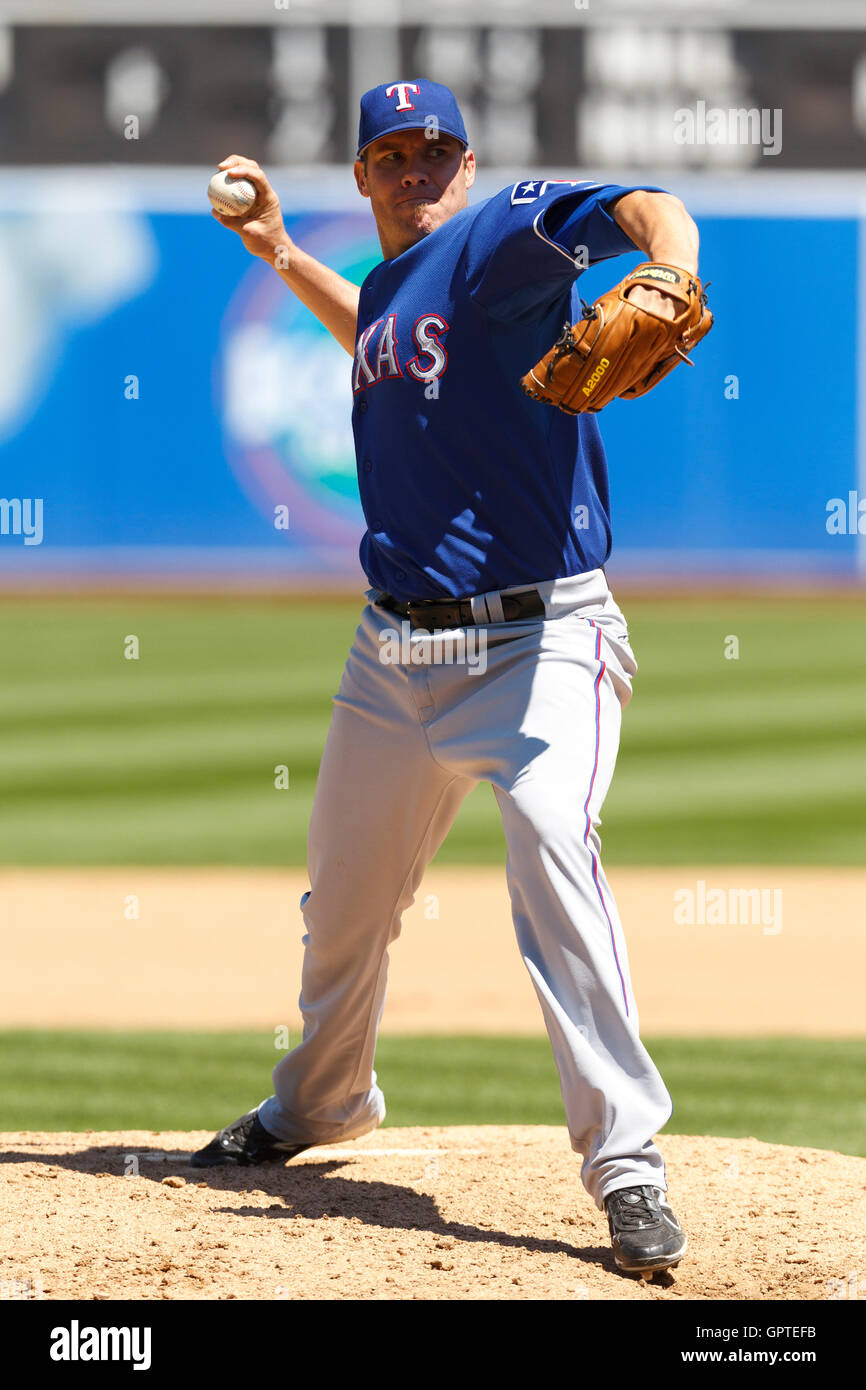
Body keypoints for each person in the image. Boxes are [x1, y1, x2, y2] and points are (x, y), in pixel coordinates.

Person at [193, 78, 700, 1278]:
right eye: (393, 156)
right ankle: (321, 1105)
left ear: (466, 168)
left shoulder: (493, 238)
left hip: (541, 641)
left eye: (436, 152)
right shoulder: (385, 296)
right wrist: (272, 249)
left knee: (551, 863)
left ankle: (626, 1166)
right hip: (393, 652)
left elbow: (643, 202)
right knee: (344, 906)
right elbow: (367, 327)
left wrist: (672, 270)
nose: (417, 170)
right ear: (362, 177)